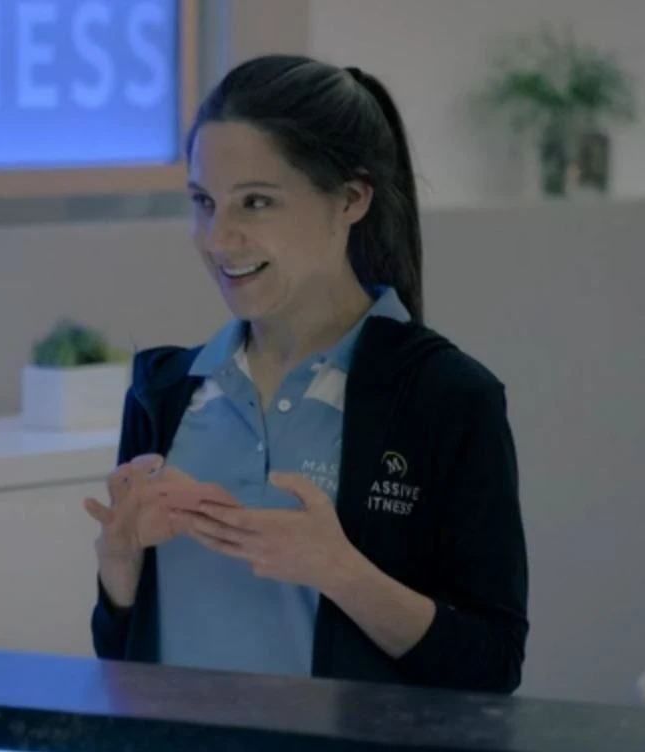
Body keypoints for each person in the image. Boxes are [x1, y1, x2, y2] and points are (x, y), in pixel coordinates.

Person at [85, 54, 529, 693]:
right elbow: (119, 656)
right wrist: (119, 568)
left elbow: (492, 665)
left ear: (350, 199)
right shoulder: (164, 392)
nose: (218, 238)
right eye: (203, 201)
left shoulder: (447, 397)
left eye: (256, 202)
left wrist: (341, 571)